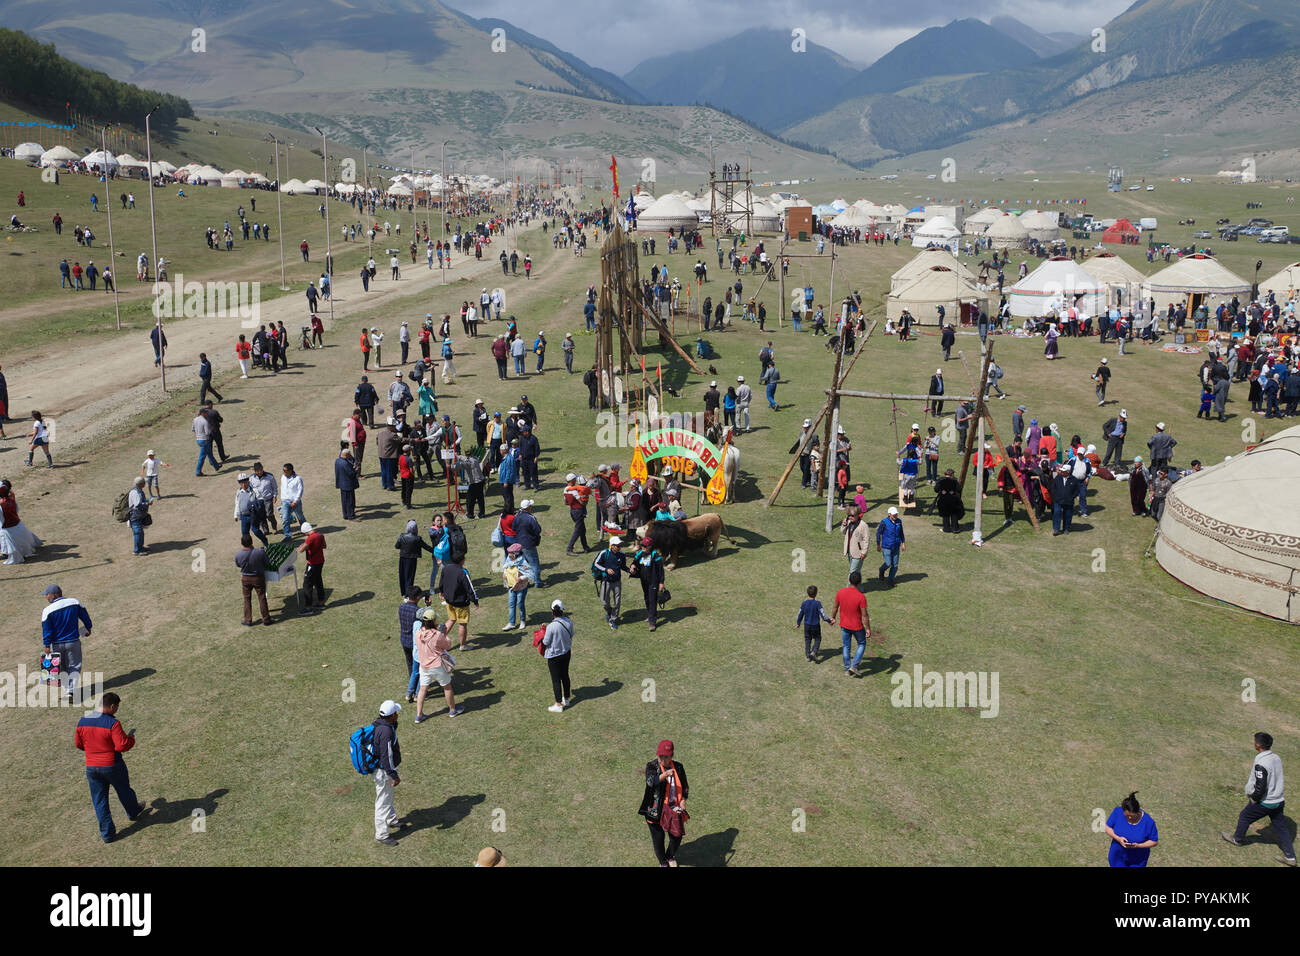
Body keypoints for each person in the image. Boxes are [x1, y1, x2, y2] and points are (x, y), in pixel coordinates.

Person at [75, 692, 147, 843]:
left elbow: (79, 744)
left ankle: (107, 834)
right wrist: (131, 739)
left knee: (99, 800)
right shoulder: (112, 723)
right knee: (123, 790)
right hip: (112, 765)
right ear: (112, 706)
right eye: (117, 708)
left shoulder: (82, 721)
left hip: (92, 767)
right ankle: (133, 811)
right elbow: (121, 745)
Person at [1222, 731, 1296, 866]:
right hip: (1279, 801)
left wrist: (1254, 800)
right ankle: (1291, 858)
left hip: (1266, 802)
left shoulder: (1261, 763)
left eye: (1254, 741)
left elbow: (1260, 787)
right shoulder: (1276, 758)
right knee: (1281, 827)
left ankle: (1237, 839)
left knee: (1245, 816)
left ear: (1257, 745)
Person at [639, 739, 689, 867]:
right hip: (655, 810)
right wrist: (665, 774)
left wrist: (683, 801)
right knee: (658, 838)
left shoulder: (678, 767)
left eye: (665, 756)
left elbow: (685, 787)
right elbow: (651, 781)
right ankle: (663, 862)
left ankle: (670, 856)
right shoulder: (652, 766)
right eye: (660, 755)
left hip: (673, 808)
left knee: (676, 836)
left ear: (671, 756)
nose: (661, 759)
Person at [42, 584, 92, 704]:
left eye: (47, 595)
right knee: (74, 666)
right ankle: (71, 691)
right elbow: (85, 616)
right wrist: (88, 628)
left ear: (54, 595)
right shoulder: (74, 602)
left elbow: (47, 630)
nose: (46, 597)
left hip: (56, 644)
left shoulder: (47, 611)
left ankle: (68, 691)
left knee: (61, 668)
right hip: (73, 642)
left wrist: (47, 645)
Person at [414, 607, 464, 722]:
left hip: (424, 666)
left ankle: (419, 715)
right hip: (437, 665)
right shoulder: (437, 635)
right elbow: (448, 645)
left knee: (422, 689)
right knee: (447, 687)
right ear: (433, 620)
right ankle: (452, 710)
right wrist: (442, 633)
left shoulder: (418, 633)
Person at [371, 700, 405, 846]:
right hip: (384, 771)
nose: (397, 715)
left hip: (381, 769)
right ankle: (382, 835)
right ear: (390, 716)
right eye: (395, 713)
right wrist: (393, 774)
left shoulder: (380, 724)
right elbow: (387, 755)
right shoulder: (386, 731)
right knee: (382, 803)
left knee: (387, 797)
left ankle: (392, 820)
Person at [1105, 791, 1159, 867]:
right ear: (1123, 810)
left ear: (1138, 811)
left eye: (1133, 816)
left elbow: (1154, 841)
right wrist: (1118, 838)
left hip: (1138, 860)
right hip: (1118, 856)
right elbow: (1107, 828)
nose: (1130, 818)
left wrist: (1138, 846)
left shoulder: (1148, 822)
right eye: (1127, 815)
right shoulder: (1117, 812)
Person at [437, 554, 479, 652]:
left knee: (451, 619)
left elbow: (441, 581)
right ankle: (462, 645)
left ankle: (438, 641)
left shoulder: (446, 568)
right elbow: (469, 588)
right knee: (462, 623)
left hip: (449, 600)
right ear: (462, 561)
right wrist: (475, 600)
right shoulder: (462, 572)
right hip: (461, 603)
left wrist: (442, 591)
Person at [832, 571, 870, 677]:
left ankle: (847, 669)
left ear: (849, 580)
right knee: (862, 643)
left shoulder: (840, 592)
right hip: (857, 626)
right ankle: (854, 666)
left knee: (846, 646)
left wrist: (833, 617)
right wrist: (868, 629)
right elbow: (865, 615)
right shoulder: (861, 597)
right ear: (860, 582)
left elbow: (835, 607)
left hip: (844, 625)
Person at [541, 599, 576, 712]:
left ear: (552, 611)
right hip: (566, 653)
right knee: (565, 675)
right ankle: (566, 698)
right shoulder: (568, 622)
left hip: (554, 656)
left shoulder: (551, 626)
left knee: (556, 680)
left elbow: (545, 642)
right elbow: (572, 634)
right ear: (562, 611)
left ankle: (558, 704)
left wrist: (544, 631)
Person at [630, 535, 667, 631]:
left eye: (645, 546)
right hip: (644, 581)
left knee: (652, 600)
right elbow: (634, 562)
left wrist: (661, 582)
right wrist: (633, 566)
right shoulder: (640, 554)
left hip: (653, 581)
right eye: (642, 545)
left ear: (650, 546)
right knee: (647, 598)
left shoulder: (655, 555)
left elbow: (660, 570)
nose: (643, 547)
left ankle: (652, 622)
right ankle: (650, 614)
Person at [593, 536, 627, 630]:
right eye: (617, 545)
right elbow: (596, 563)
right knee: (604, 601)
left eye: (620, 545)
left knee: (617, 601)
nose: (619, 547)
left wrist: (629, 570)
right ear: (612, 546)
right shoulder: (604, 553)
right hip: (606, 581)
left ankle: (613, 619)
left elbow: (623, 566)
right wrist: (606, 569)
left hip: (617, 582)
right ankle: (610, 612)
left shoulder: (622, 555)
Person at [796, 585, 834, 662]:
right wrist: (829, 621)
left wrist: (798, 623)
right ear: (816, 594)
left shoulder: (804, 603)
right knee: (818, 638)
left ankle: (807, 656)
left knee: (807, 639)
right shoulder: (817, 603)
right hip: (815, 625)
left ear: (807, 593)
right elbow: (823, 615)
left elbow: (800, 614)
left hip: (807, 625)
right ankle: (814, 651)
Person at [396, 519, 434, 596]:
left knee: (402, 575)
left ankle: (404, 593)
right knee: (410, 577)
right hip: (412, 560)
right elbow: (426, 547)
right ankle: (408, 594)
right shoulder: (417, 538)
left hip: (403, 558)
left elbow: (397, 546)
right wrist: (436, 551)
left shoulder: (402, 536)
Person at [297, 522, 326, 612]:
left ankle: (308, 607)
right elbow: (324, 546)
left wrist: (303, 545)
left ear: (305, 532)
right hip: (320, 561)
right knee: (318, 581)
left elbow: (301, 550)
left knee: (307, 584)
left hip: (312, 563)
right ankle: (321, 602)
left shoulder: (310, 538)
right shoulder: (320, 535)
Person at [502, 543, 532, 630]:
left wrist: (521, 578)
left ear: (515, 554)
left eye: (510, 552)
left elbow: (529, 574)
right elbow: (505, 567)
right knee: (511, 605)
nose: (508, 554)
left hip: (521, 587)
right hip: (511, 587)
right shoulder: (509, 559)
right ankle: (512, 623)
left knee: (520, 604)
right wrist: (504, 574)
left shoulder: (523, 562)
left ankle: (522, 621)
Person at [876, 507, 905, 585]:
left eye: (896, 514)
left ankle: (890, 579)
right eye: (894, 514)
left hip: (896, 546)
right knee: (888, 563)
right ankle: (881, 570)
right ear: (889, 514)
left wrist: (903, 543)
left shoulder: (899, 521)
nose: (896, 515)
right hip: (887, 546)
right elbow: (878, 533)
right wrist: (878, 544)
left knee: (895, 565)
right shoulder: (884, 522)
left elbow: (901, 533)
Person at [279, 463, 305, 538]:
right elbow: (282, 489)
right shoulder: (283, 477)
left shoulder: (298, 478)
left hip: (296, 502)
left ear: (290, 471)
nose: (283, 472)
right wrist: (282, 499)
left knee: (300, 517)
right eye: (283, 470)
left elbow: (300, 491)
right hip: (285, 502)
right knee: (285, 519)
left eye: (285, 471)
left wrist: (295, 501)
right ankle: (287, 535)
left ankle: (305, 530)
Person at [126, 476, 150, 555]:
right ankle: (137, 551)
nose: (145, 483)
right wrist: (147, 503)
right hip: (135, 516)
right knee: (138, 533)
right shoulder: (136, 492)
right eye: (144, 482)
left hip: (137, 515)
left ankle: (140, 547)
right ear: (141, 484)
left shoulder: (137, 490)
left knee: (140, 533)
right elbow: (138, 505)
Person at [335, 446, 359, 520]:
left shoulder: (337, 461)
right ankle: (351, 516)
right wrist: (355, 470)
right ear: (346, 455)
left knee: (344, 501)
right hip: (348, 485)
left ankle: (345, 515)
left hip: (342, 484)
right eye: (349, 455)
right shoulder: (345, 463)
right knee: (350, 501)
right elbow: (351, 474)